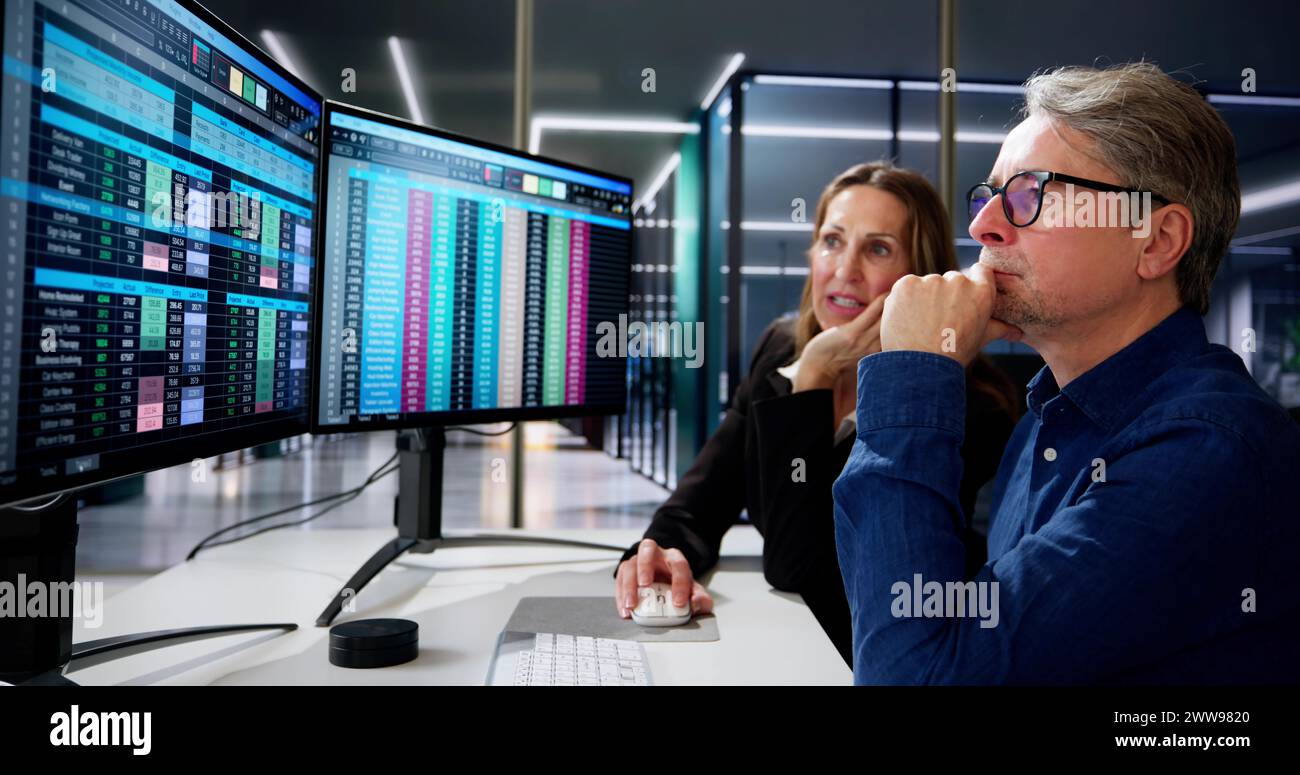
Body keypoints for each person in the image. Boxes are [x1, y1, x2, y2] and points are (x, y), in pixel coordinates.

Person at [833, 63, 1300, 683]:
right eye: (989, 195)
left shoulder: (1206, 448)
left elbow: (914, 675)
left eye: (1030, 194)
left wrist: (916, 371)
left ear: (1156, 241)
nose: (981, 226)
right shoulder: (1045, 422)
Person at [614, 162, 1019, 664]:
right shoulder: (779, 349)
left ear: (921, 276)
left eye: (877, 248)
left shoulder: (967, 406)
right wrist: (662, 552)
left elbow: (798, 568)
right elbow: (697, 505)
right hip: (782, 646)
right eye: (832, 241)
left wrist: (815, 378)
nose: (844, 270)